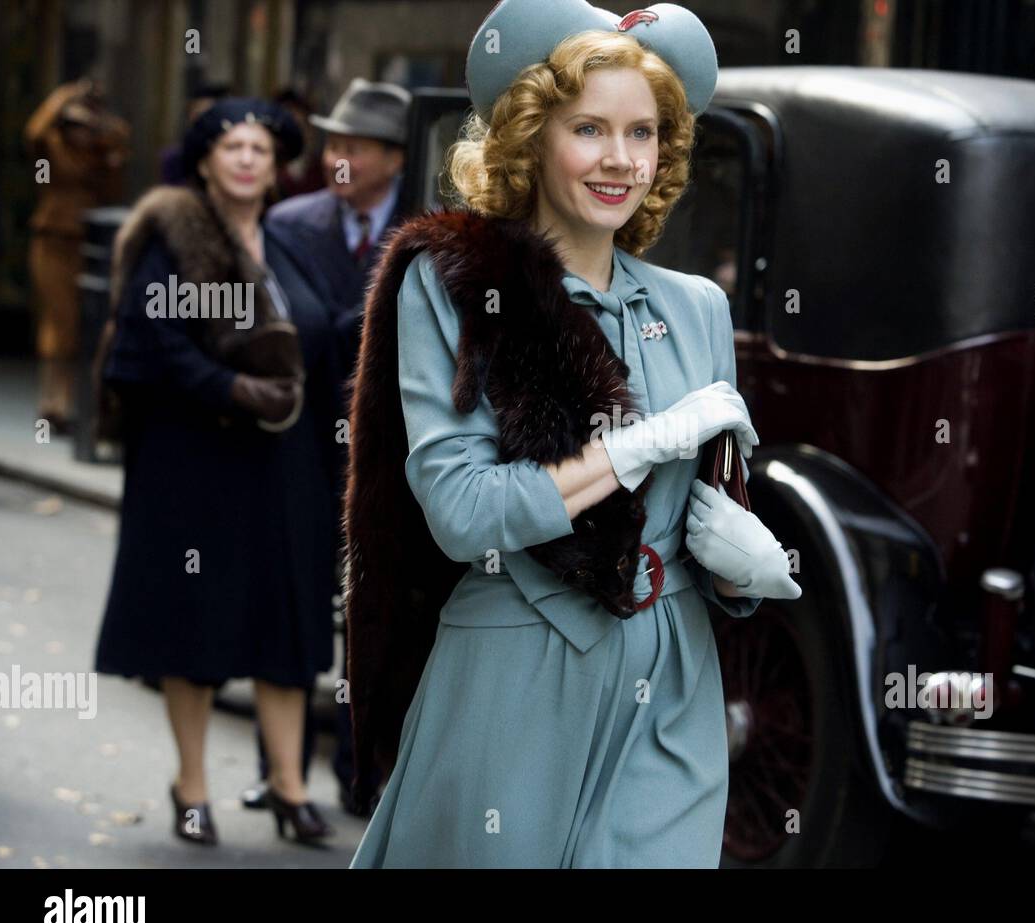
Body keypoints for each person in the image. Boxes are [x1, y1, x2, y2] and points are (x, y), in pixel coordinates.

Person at [343, 0, 801, 868]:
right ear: (528, 137)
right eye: (588, 128)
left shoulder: (697, 308)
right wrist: (641, 443)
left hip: (671, 682)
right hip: (515, 666)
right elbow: (463, 513)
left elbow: (708, 510)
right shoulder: (452, 289)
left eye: (643, 132)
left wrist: (746, 565)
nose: (620, 160)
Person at [92, 98, 346, 848]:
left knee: (288, 622)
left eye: (260, 149)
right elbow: (153, 343)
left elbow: (320, 343)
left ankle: (291, 789)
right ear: (204, 161)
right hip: (193, 463)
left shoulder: (290, 242)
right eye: (231, 145)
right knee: (194, 622)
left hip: (286, 466)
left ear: (275, 168)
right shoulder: (173, 238)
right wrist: (232, 389)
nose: (245, 158)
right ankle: (192, 785)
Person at [241, 78, 411, 818]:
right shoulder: (288, 222)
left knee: (378, 613)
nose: (338, 158)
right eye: (332, 143)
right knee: (289, 598)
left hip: (393, 451)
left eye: (356, 146)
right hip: (302, 447)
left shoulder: (428, 225)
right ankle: (277, 770)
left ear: (395, 157)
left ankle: (362, 770)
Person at [23, 78, 130, 434]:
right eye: (74, 125)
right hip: (52, 242)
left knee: (83, 326)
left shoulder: (100, 157)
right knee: (59, 322)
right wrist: (65, 96)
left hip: (90, 245)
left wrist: (105, 132)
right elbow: (35, 129)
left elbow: (120, 141)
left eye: (86, 126)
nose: (80, 132)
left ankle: (67, 403)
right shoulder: (50, 151)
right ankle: (52, 402)